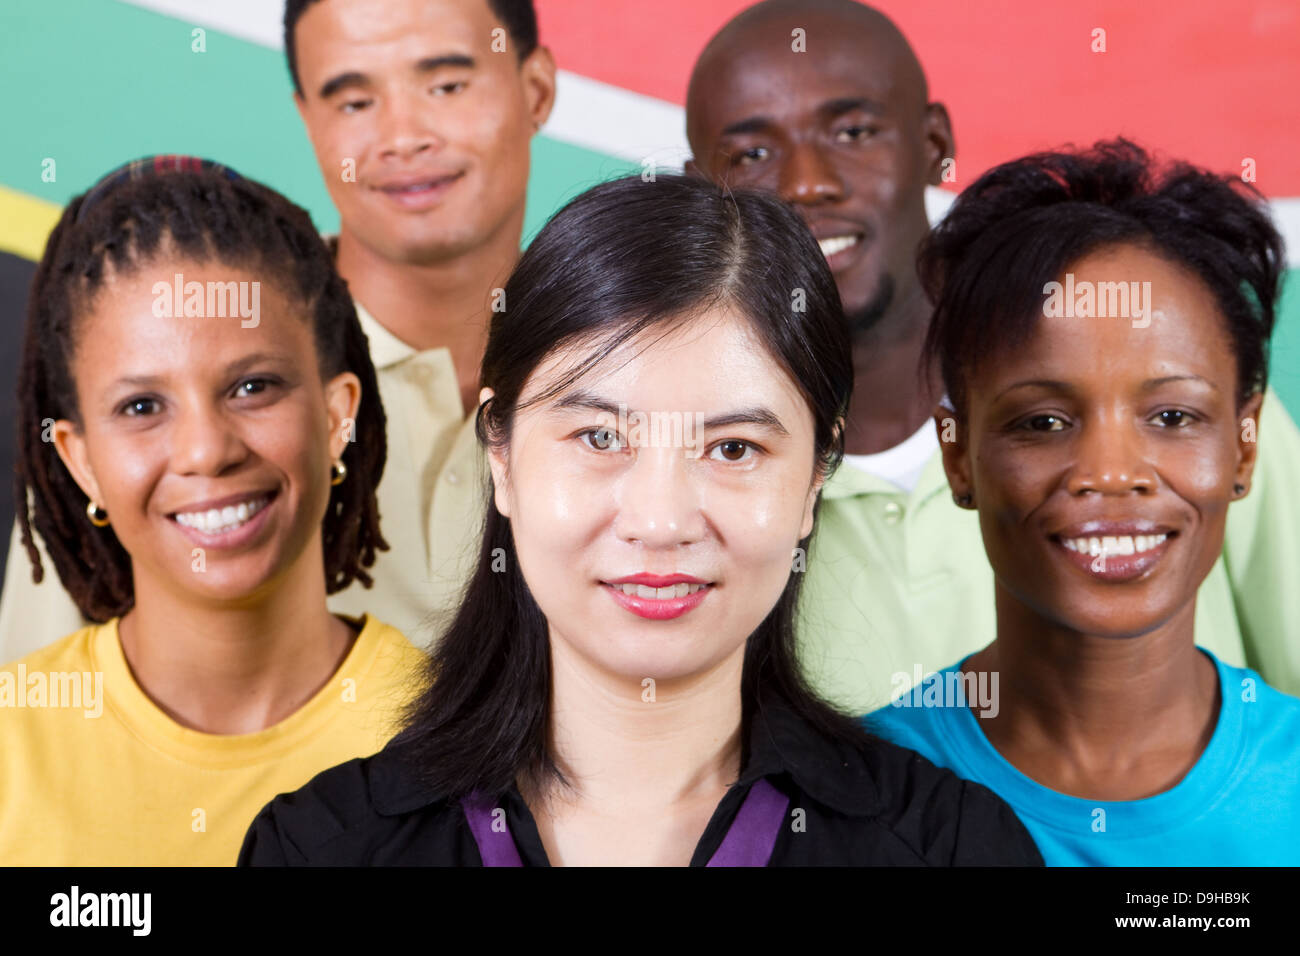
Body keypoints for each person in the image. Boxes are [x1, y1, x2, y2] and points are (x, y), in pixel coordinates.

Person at [239, 174, 1042, 867]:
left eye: (732, 449)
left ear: (813, 480)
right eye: (599, 437)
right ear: (503, 457)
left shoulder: (951, 850)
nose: (660, 523)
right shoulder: (319, 850)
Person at [684, 0, 1300, 710]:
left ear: (935, 143)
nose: (807, 182)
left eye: (854, 130)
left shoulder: (1174, 396)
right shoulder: (704, 467)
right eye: (752, 154)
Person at [0, 0, 557, 660]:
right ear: (307, 119)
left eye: (446, 85)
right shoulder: (144, 374)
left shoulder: (627, 364)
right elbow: (37, 725)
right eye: (353, 101)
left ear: (536, 90)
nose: (404, 135)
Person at [867, 140, 1300, 865]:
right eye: (1042, 422)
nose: (1109, 474)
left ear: (1245, 447)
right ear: (957, 455)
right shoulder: (853, 795)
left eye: (1171, 418)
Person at [0, 158, 424, 865]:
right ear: (80, 462)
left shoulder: (464, 745)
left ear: (337, 415)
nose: (205, 450)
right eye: (141, 407)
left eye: (253, 386)